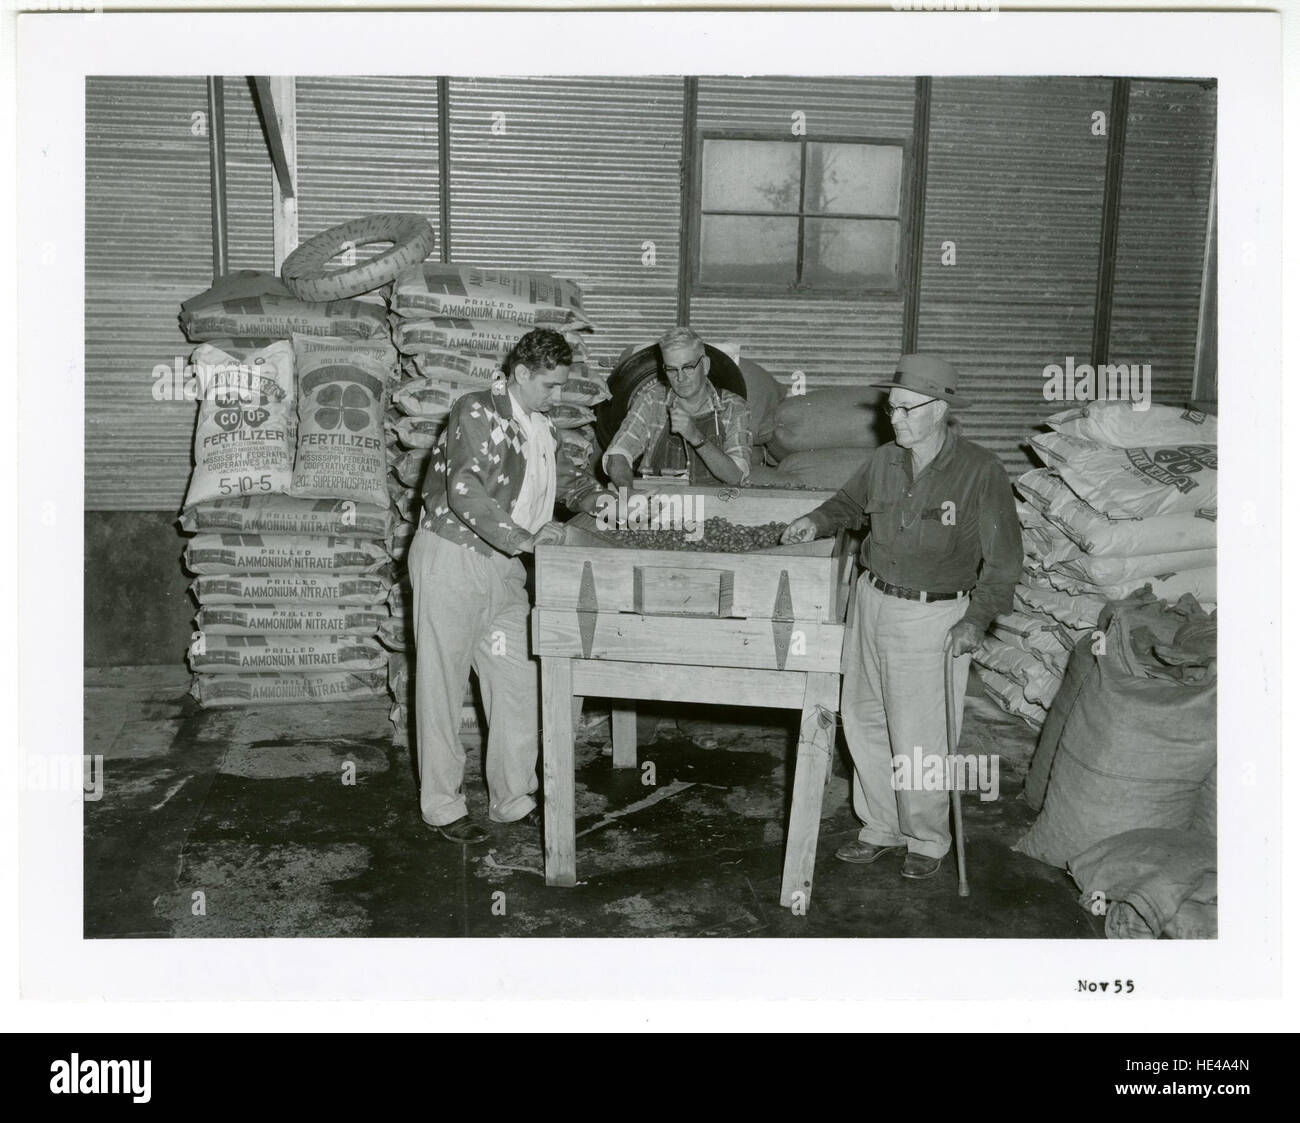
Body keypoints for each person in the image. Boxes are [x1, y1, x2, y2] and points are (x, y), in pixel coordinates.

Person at [781, 354, 1022, 880]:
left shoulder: (981, 471)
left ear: (940, 410)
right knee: (864, 721)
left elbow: (1004, 561)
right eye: (892, 409)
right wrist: (814, 520)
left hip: (931, 617)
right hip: (869, 601)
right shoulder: (885, 460)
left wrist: (975, 619)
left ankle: (927, 838)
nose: (896, 420)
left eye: (907, 410)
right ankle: (880, 827)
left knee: (921, 735)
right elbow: (848, 505)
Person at [411, 328, 609, 844]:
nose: (558, 396)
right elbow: (464, 490)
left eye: (562, 385)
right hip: (453, 559)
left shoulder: (541, 427)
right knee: (442, 684)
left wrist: (596, 501)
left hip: (506, 570)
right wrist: (524, 539)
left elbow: (564, 484)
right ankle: (442, 806)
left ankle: (512, 797)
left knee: (519, 682)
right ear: (520, 374)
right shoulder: (476, 410)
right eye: (549, 385)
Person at [602, 326, 753, 487]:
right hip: (662, 502)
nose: (680, 378)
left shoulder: (733, 406)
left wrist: (696, 437)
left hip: (717, 504)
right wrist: (627, 493)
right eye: (672, 369)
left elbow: (736, 476)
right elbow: (617, 455)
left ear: (706, 365)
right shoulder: (652, 400)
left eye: (687, 367)